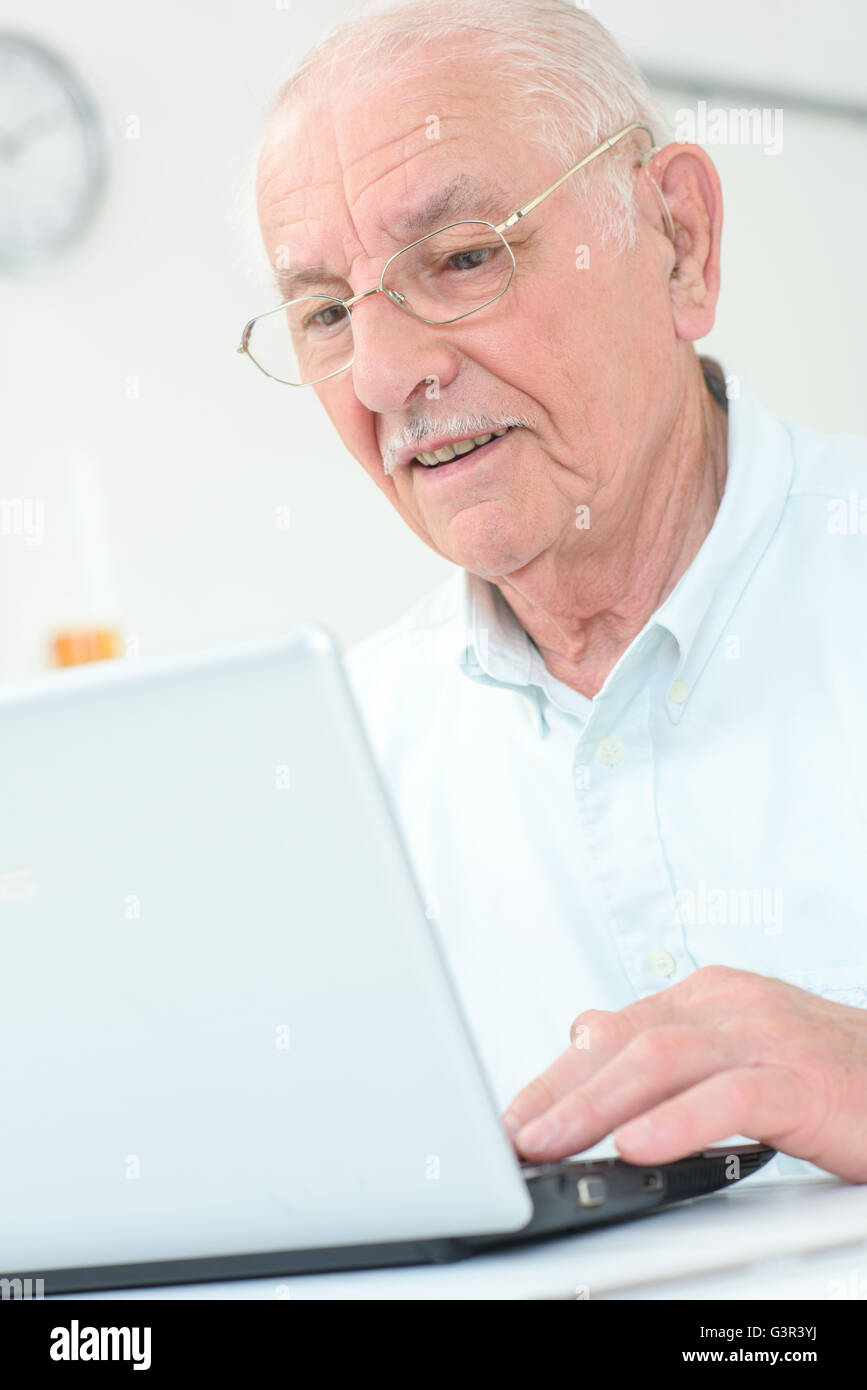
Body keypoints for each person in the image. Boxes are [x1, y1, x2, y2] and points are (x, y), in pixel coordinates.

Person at [243, 0, 867, 1181]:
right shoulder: (337, 768)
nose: (382, 375)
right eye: (326, 313)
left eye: (466, 256)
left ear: (677, 239)